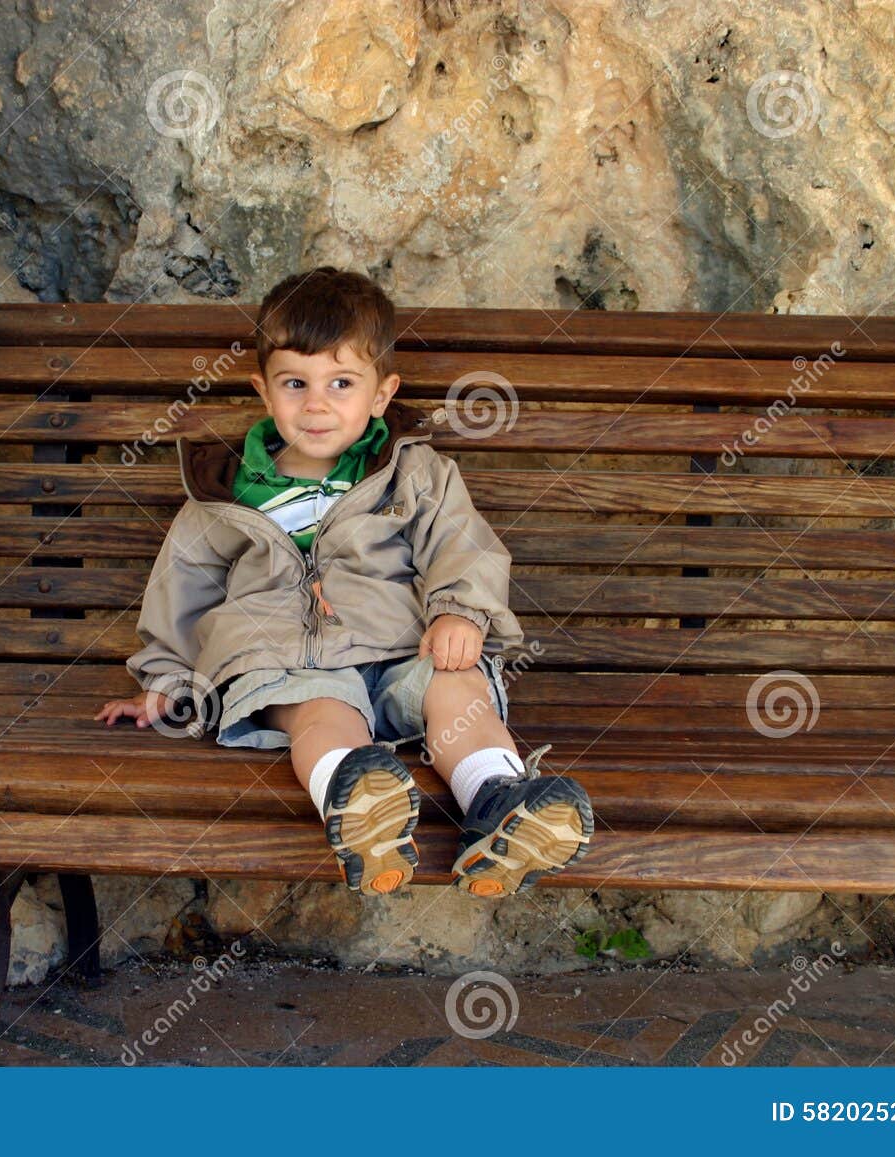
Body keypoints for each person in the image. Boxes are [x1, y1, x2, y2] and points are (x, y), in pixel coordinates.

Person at [96, 266, 594, 898]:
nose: (317, 404)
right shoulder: (224, 491)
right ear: (264, 390)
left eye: (341, 382)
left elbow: (461, 545)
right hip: (282, 657)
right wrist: (166, 681)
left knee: (456, 686)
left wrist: (460, 613)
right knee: (321, 710)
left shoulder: (413, 474)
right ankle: (358, 803)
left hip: (399, 648)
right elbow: (181, 586)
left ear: (381, 394)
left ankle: (499, 802)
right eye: (295, 384)